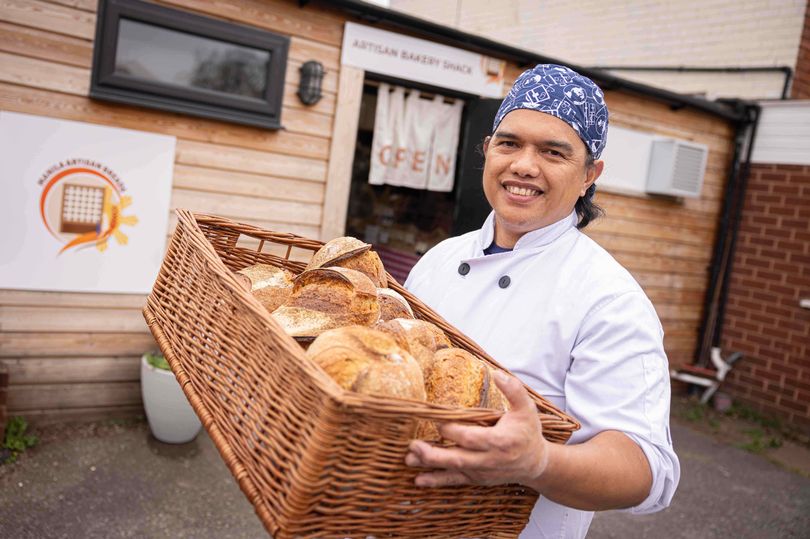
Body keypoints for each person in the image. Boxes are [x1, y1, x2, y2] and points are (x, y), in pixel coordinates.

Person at [403, 64, 680, 538]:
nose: (524, 165)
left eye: (553, 152)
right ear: (488, 150)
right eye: (510, 143)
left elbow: (645, 470)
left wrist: (537, 462)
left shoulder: (608, 298)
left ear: (590, 174)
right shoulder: (439, 259)